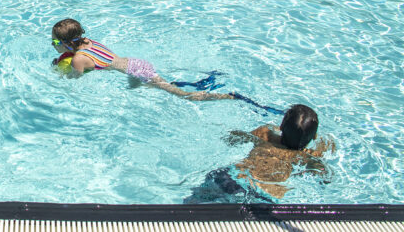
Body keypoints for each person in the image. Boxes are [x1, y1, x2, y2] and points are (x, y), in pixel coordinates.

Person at [51, 19, 233, 101]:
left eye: (55, 42)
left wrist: (57, 72)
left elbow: (74, 79)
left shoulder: (79, 59)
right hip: (135, 64)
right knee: (144, 89)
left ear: (66, 44)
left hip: (136, 72)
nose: (53, 45)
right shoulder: (88, 42)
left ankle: (226, 97)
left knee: (184, 96)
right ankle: (175, 85)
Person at [185, 104, 333, 203]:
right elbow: (324, 173)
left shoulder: (265, 134)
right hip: (262, 195)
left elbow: (234, 138)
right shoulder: (308, 156)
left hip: (232, 176)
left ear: (281, 126)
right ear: (314, 137)